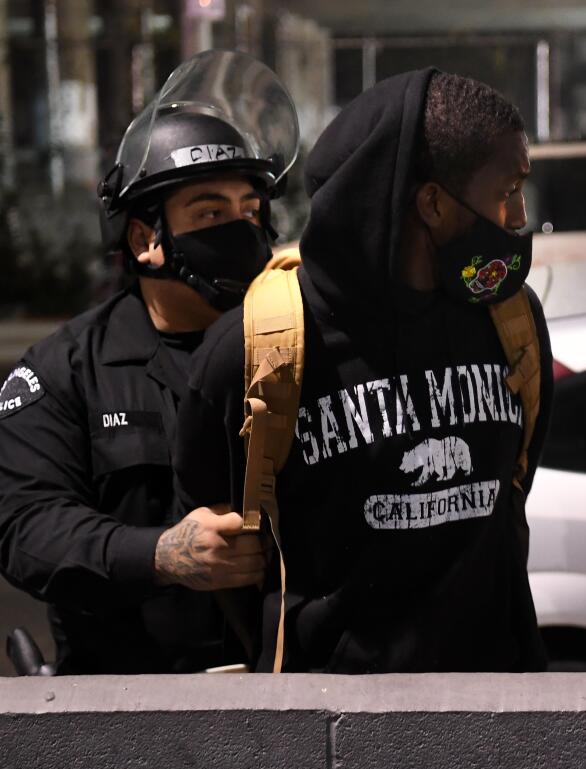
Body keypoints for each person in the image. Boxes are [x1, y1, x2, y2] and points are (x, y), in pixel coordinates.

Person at [172, 69, 554, 673]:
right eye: (507, 189)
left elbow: (514, 487)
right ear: (431, 203)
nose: (518, 214)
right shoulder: (259, 348)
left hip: (500, 715)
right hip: (330, 736)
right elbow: (226, 557)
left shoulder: (510, 320)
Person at [0, 50, 298, 673]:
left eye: (250, 210)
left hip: (284, 692)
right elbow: (25, 526)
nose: (242, 229)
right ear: (146, 240)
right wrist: (160, 554)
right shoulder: (66, 371)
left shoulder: (293, 346)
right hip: (128, 703)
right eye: (212, 213)